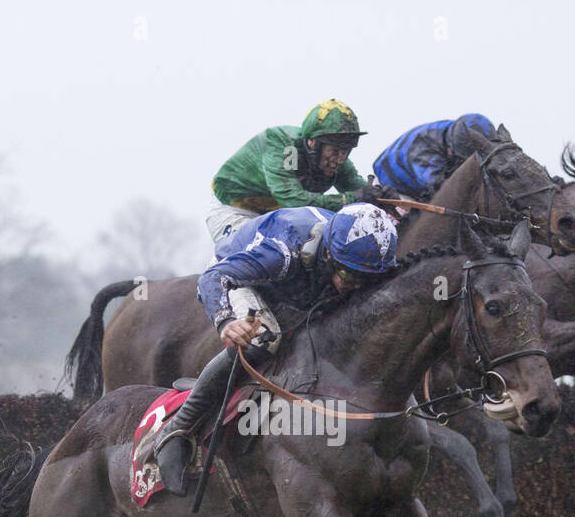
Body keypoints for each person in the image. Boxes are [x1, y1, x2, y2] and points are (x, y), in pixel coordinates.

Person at [155, 202, 399, 494]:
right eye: (347, 276)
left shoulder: (362, 256)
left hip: (295, 284)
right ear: (329, 253)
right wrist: (226, 323)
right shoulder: (282, 253)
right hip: (236, 277)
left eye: (364, 279)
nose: (351, 285)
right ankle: (177, 429)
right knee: (265, 338)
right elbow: (215, 278)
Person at [206, 99, 397, 244]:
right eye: (335, 150)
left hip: (276, 216)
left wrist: (381, 196)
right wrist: (350, 200)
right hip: (234, 212)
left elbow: (361, 191)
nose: (340, 159)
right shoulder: (281, 144)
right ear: (313, 142)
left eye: (346, 151)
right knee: (259, 253)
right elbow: (292, 200)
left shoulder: (337, 161)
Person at [372, 113, 496, 202]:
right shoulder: (424, 152)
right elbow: (444, 192)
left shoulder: (457, 129)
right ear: (451, 148)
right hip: (395, 188)